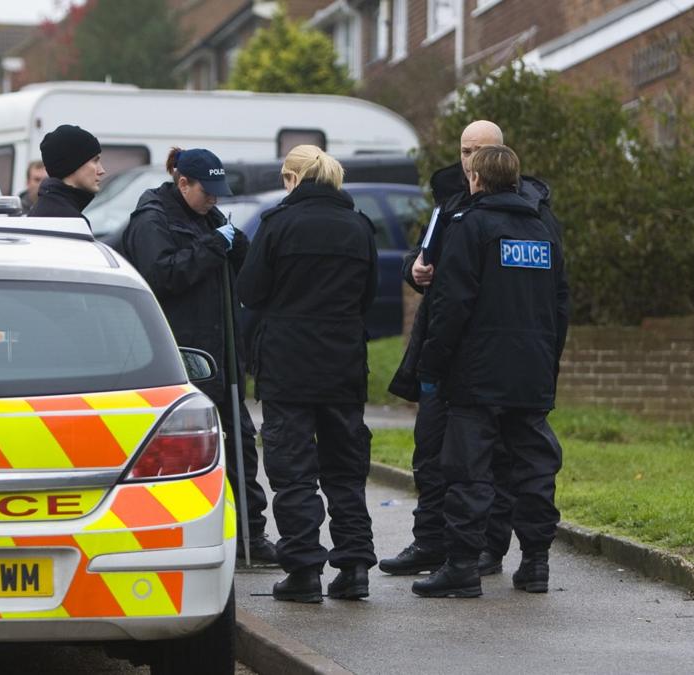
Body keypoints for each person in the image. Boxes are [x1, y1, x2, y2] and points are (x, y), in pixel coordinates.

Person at [409, 145, 569, 598]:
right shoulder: (543, 230)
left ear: (476, 180)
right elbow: (560, 304)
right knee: (535, 471)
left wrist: (434, 365)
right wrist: (548, 362)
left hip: (477, 375)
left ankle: (462, 566)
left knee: (468, 471)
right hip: (531, 373)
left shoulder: (470, 226)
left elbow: (451, 304)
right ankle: (535, 564)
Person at [120, 147, 277, 565]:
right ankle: (179, 535)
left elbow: (237, 269)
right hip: (182, 357)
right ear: (182, 182)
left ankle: (251, 535)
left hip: (222, 356)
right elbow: (162, 275)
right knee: (185, 455)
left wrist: (235, 244)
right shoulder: (152, 219)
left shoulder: (207, 217)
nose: (215, 199)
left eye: (218, 193)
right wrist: (212, 246)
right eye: (207, 191)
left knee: (241, 445)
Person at [237, 145, 378, 602]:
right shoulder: (359, 227)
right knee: (346, 470)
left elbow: (251, 291)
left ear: (293, 178)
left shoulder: (278, 225)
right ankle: (354, 567)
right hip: (343, 366)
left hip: (288, 367)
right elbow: (368, 295)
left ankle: (303, 572)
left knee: (294, 473)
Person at [381, 120, 517, 578]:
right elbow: (424, 256)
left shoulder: (519, 209)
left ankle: (486, 549)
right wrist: (413, 270)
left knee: (486, 458)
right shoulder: (449, 202)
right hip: (441, 345)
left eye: (478, 152)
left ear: (498, 155)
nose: (468, 161)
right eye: (463, 150)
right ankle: (430, 542)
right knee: (431, 450)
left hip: (484, 355)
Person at [29, 125, 104, 222]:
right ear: (73, 164)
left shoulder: (44, 209)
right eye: (95, 161)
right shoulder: (70, 221)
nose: (101, 170)